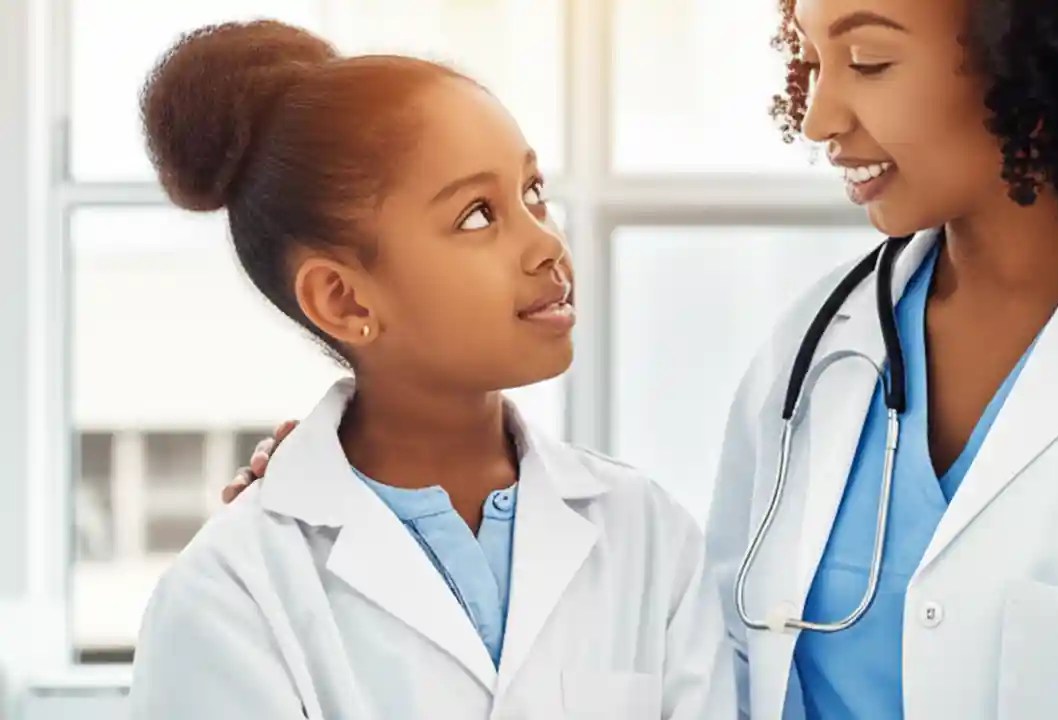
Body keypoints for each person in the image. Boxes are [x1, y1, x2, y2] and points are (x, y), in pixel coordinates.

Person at [229, 0, 1058, 718]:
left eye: (867, 58)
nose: (818, 114)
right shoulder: (813, 357)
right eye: (806, 58)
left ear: (1042, 45)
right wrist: (373, 478)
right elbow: (699, 661)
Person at [129, 20, 733, 720]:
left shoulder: (645, 533)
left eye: (532, 193)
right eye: (477, 216)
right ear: (345, 297)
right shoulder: (231, 595)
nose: (546, 245)